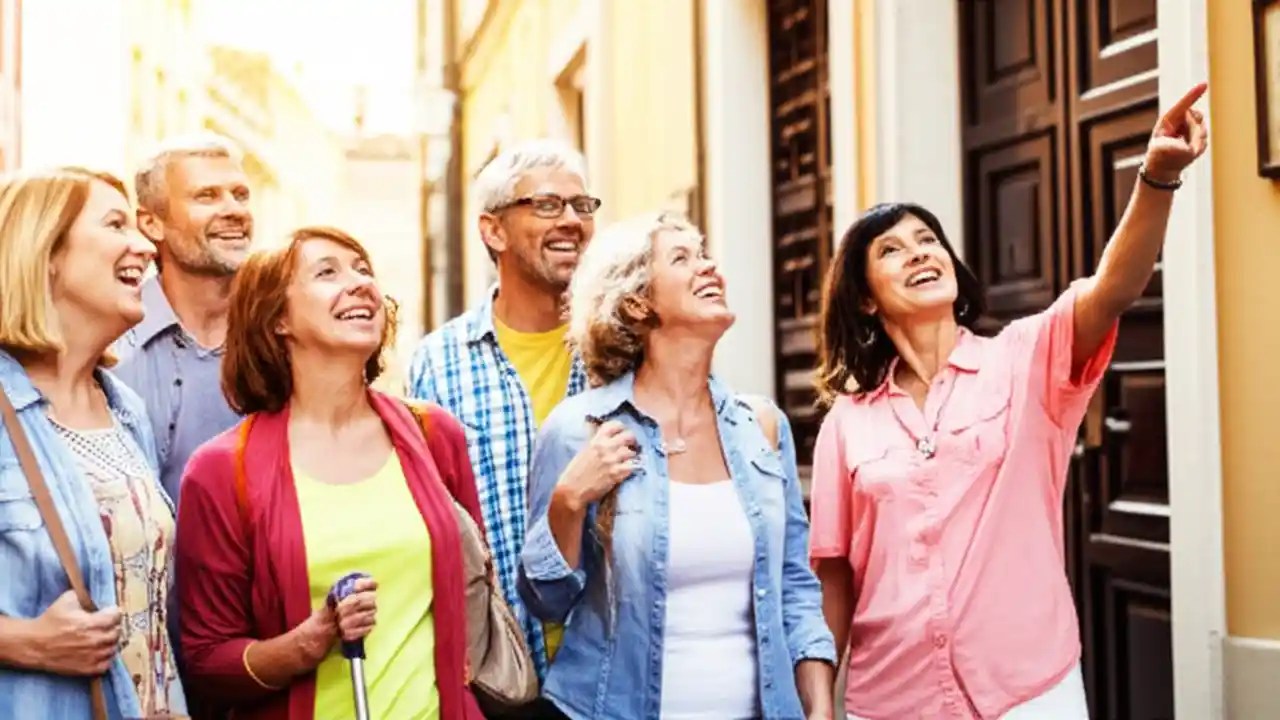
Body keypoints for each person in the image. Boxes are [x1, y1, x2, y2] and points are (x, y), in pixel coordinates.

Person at [807, 84, 1210, 719]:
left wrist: (1156, 177)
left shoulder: (1023, 359)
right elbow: (836, 580)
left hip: (1026, 692)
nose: (917, 253)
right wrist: (818, 705)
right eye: (891, 250)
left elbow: (1113, 289)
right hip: (892, 699)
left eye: (927, 240)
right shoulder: (847, 425)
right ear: (864, 298)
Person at [519, 212, 837, 720]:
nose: (709, 267)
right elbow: (545, 601)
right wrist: (568, 500)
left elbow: (795, 588)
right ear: (636, 302)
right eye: (682, 258)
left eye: (706, 254)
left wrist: (819, 709)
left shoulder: (763, 427)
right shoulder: (581, 427)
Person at [174, 226, 486, 720]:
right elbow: (206, 659)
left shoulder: (434, 436)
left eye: (364, 269)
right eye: (327, 272)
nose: (360, 283)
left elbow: (473, 590)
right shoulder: (219, 471)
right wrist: (307, 642)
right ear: (278, 319)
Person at [406, 139, 595, 697]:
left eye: (581, 206)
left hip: (614, 668)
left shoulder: (622, 349)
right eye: (547, 206)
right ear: (493, 231)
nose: (571, 222)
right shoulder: (439, 364)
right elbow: (434, 524)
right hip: (504, 674)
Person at [0, 167, 186, 717]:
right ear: (46, 252)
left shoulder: (126, 411)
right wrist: (23, 643)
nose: (144, 246)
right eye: (115, 225)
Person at [114, 132, 253, 505]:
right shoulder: (107, 345)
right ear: (151, 224)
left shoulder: (286, 338)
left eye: (240, 194)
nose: (234, 210)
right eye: (206, 196)